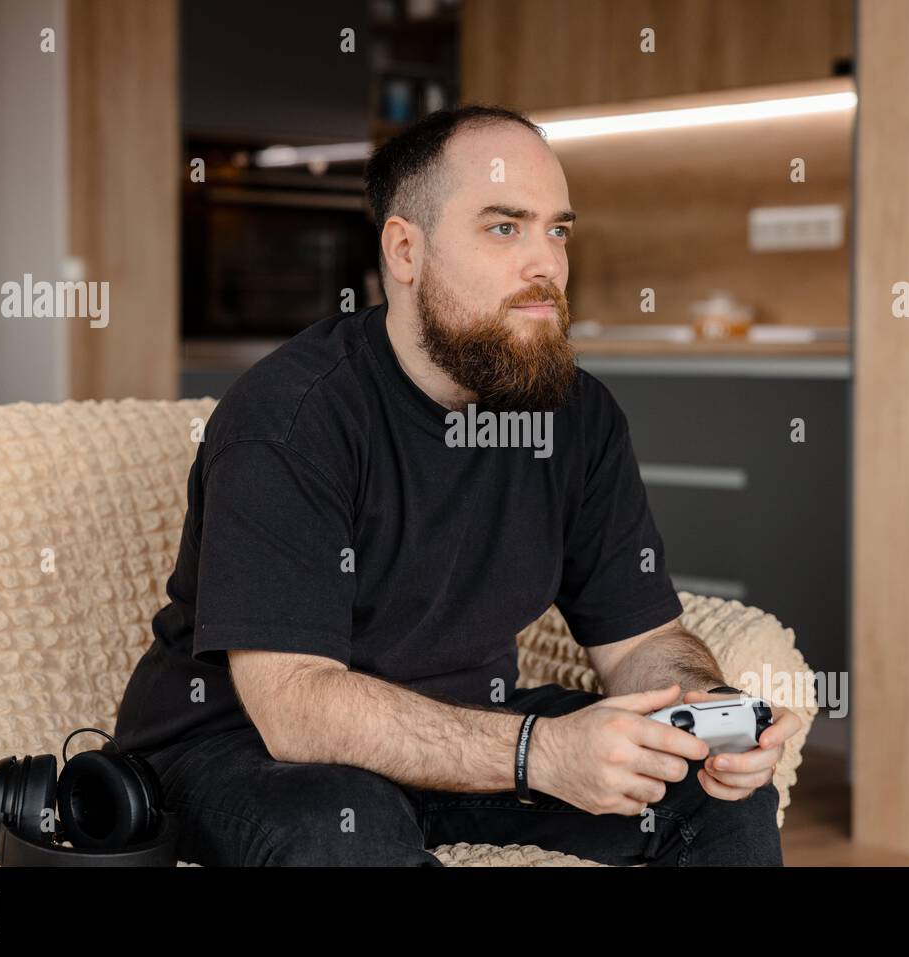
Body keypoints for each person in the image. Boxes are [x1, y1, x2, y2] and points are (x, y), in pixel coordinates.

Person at [114, 104, 799, 866]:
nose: (546, 265)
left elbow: (641, 639)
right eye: (505, 228)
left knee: (708, 790)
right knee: (341, 826)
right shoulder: (290, 416)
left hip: (467, 733)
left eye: (558, 231)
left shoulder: (577, 416)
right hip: (243, 752)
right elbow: (295, 706)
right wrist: (540, 752)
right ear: (405, 250)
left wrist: (705, 707)